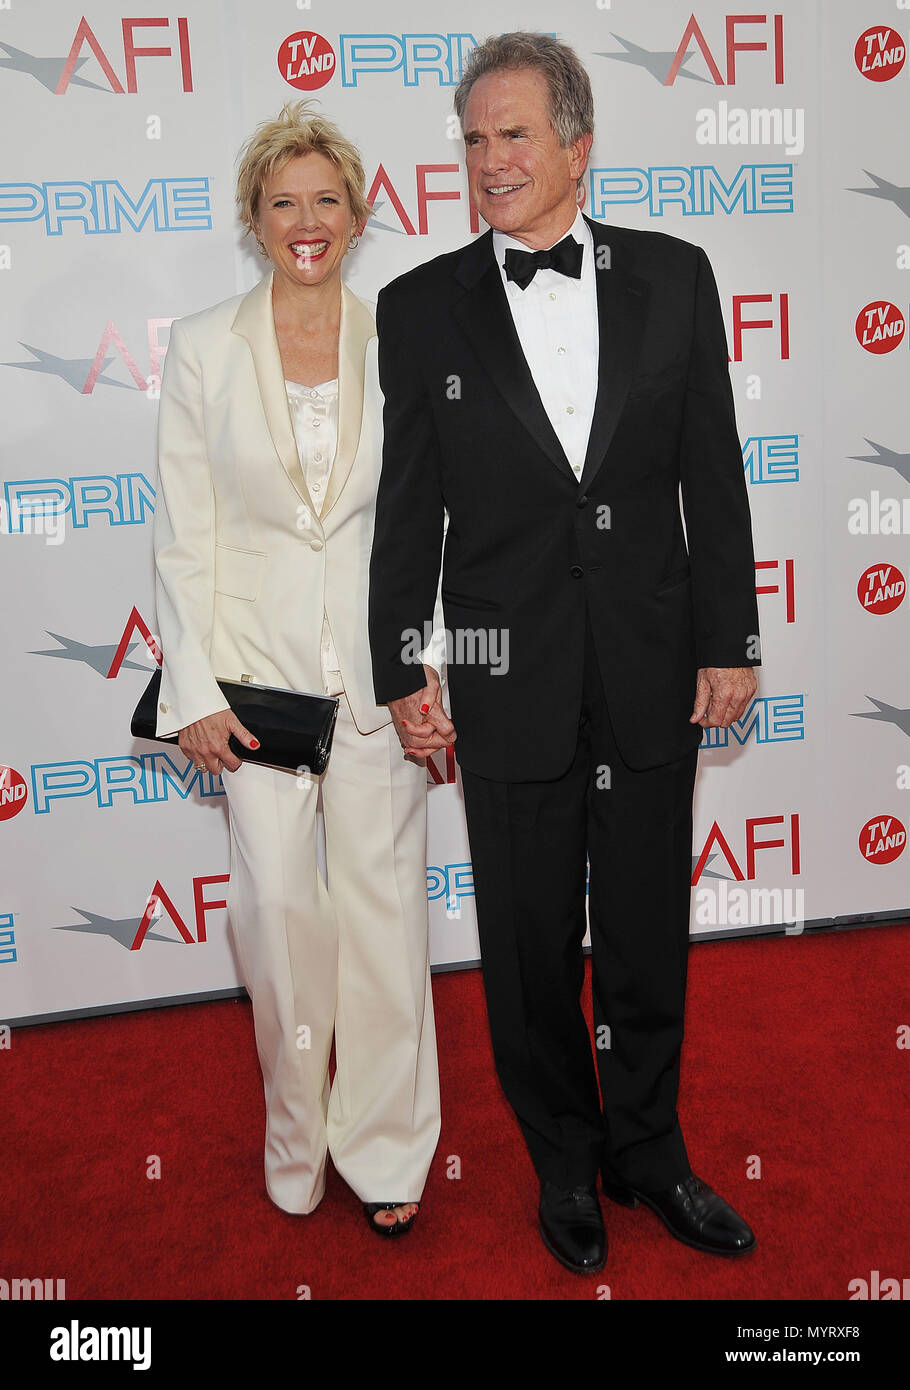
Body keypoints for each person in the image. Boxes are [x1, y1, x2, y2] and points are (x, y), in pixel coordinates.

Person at [369, 33, 761, 1272]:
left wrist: (731, 637)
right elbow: (408, 509)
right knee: (530, 945)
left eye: (514, 135)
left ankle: (650, 1148)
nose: (489, 160)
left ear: (578, 146)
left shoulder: (676, 276)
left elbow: (714, 470)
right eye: (474, 138)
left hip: (652, 659)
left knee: (646, 929)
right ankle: (564, 1163)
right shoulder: (418, 303)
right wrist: (400, 664)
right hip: (503, 671)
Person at [153, 100, 440, 1236]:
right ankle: (295, 1136)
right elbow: (184, 532)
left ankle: (386, 1149)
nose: (305, 222)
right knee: (277, 920)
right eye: (283, 203)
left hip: (377, 684)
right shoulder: (201, 346)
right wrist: (192, 694)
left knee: (383, 920)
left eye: (326, 201)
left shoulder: (402, 340)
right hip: (254, 687)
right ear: (253, 218)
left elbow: (431, 526)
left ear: (359, 215)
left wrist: (428, 678)